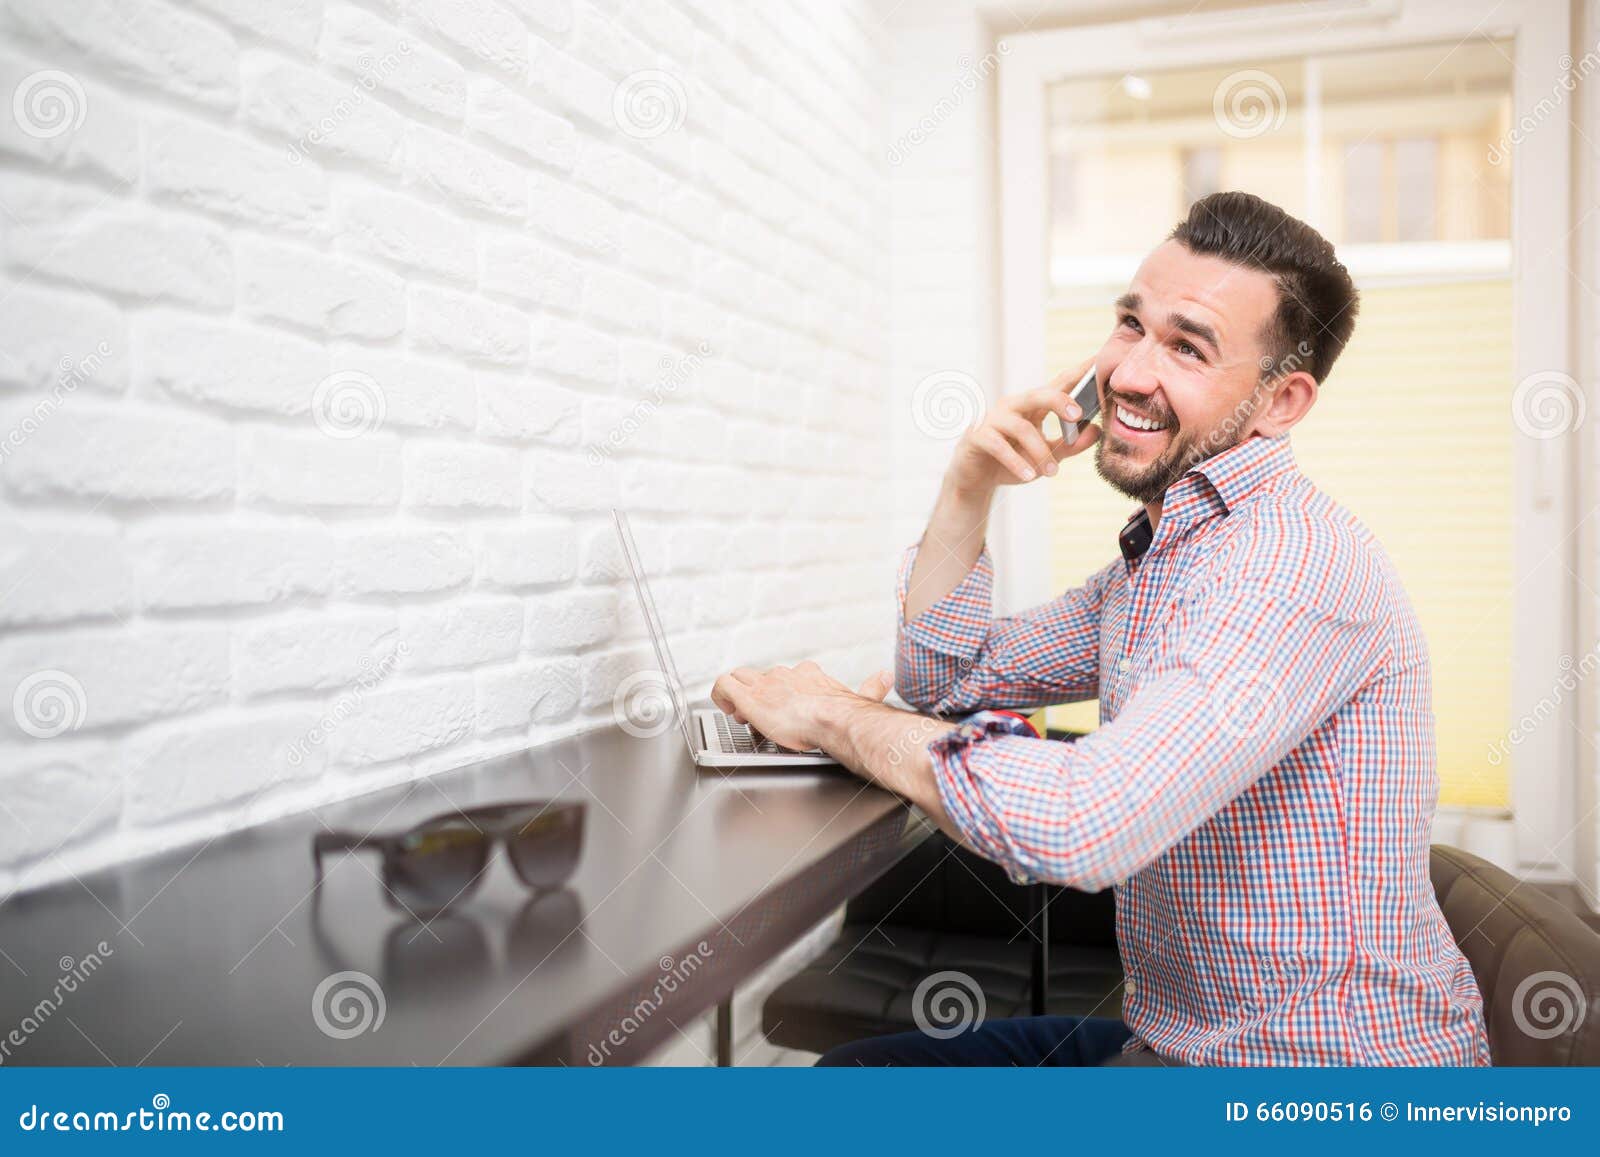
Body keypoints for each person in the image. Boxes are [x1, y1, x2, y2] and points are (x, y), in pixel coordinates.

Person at [712, 191, 1490, 1067]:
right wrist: (969, 484)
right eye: (1131, 324)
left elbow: (1083, 821)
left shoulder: (1285, 568)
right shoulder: (1166, 558)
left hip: (1320, 1078)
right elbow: (945, 676)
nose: (1127, 374)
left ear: (1282, 402)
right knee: (856, 1079)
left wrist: (831, 716)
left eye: (1187, 347)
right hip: (1179, 1047)